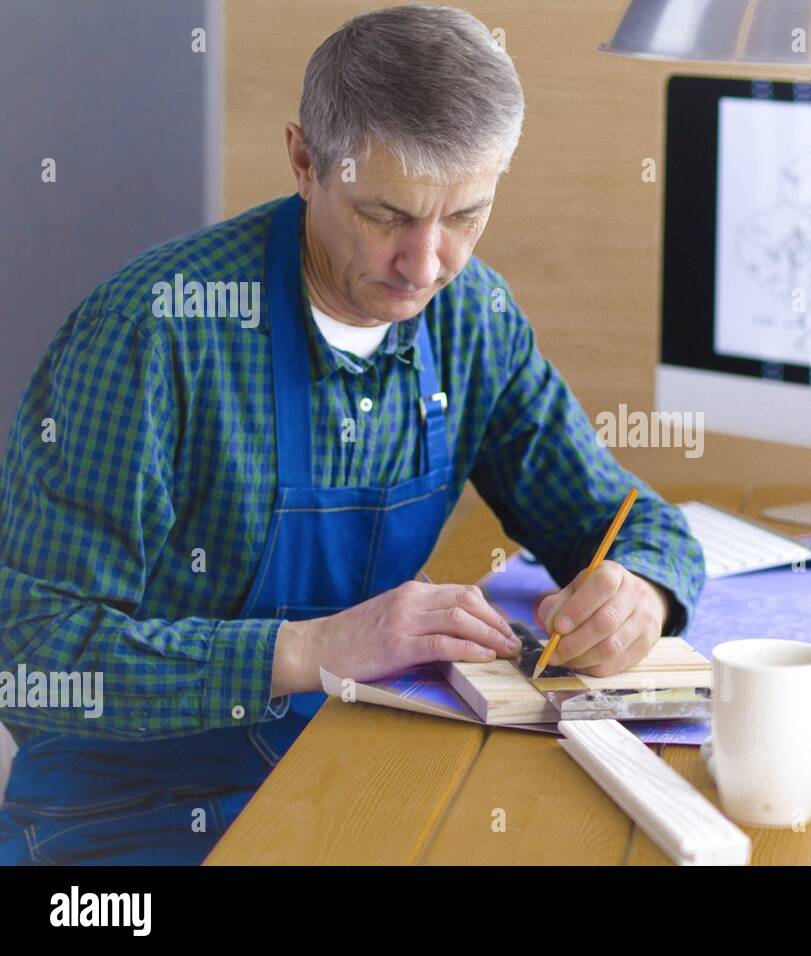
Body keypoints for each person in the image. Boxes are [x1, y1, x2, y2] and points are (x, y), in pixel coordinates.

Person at [0, 3, 704, 865]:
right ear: (303, 160)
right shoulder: (155, 334)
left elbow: (631, 523)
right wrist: (310, 649)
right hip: (127, 808)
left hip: (354, 765)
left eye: (465, 218)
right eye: (386, 215)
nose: (425, 265)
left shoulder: (471, 317)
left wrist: (641, 593)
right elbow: (30, 649)